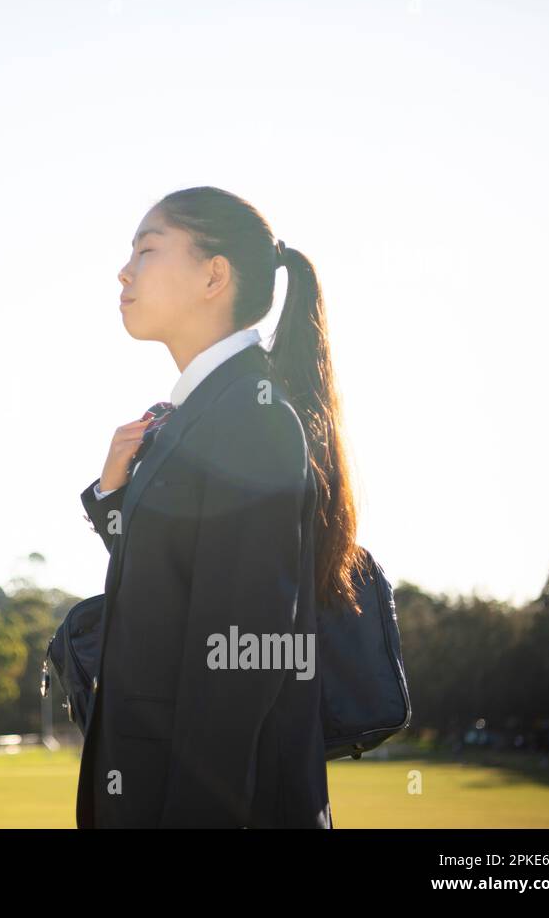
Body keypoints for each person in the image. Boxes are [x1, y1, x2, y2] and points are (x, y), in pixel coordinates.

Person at [76, 186, 365, 828]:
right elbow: (174, 590)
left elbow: (241, 658)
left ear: (214, 274)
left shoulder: (248, 418)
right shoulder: (204, 414)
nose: (124, 271)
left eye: (147, 250)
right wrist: (113, 501)